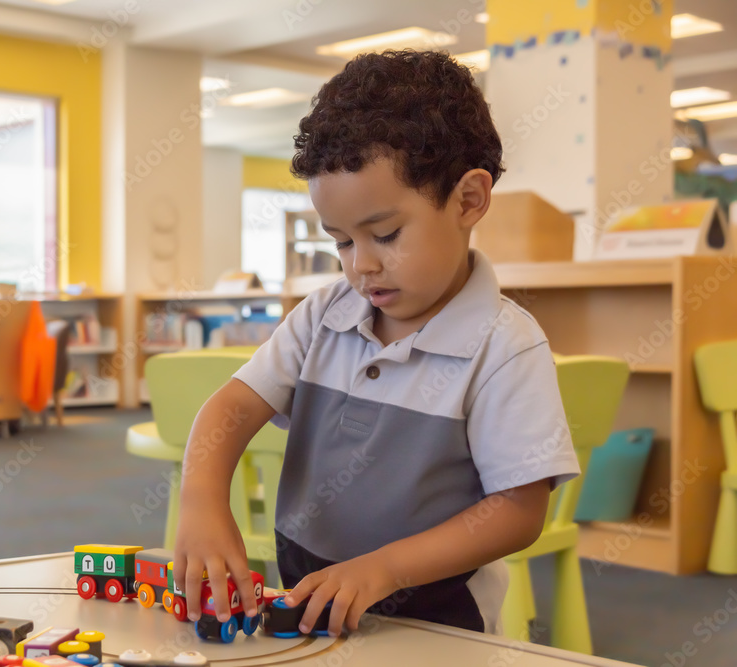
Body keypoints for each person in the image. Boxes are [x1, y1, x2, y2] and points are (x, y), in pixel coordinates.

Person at [173, 50, 581, 637]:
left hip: (437, 624)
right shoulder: (323, 315)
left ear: (469, 200)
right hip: (310, 603)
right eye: (340, 241)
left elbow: (517, 511)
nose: (361, 265)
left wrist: (385, 569)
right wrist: (202, 501)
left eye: (386, 234)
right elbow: (231, 408)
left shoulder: (504, 346)